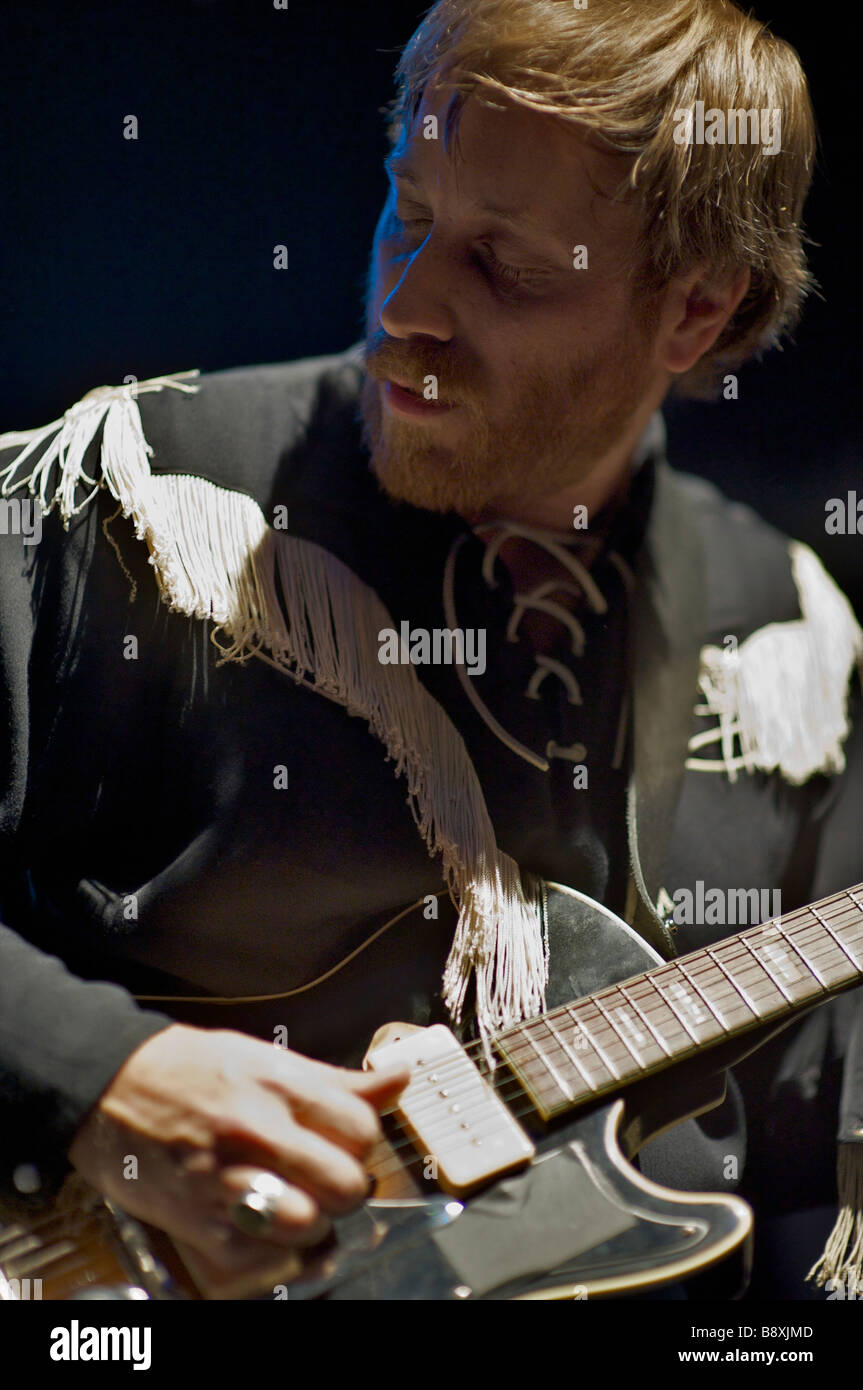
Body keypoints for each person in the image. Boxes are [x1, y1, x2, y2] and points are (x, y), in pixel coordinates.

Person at [1, 0, 861, 1301]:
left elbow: (812, 1190)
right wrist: (93, 1074)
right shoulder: (139, 494)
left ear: (695, 313)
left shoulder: (787, 638)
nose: (403, 303)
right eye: (408, 208)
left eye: (508, 269)